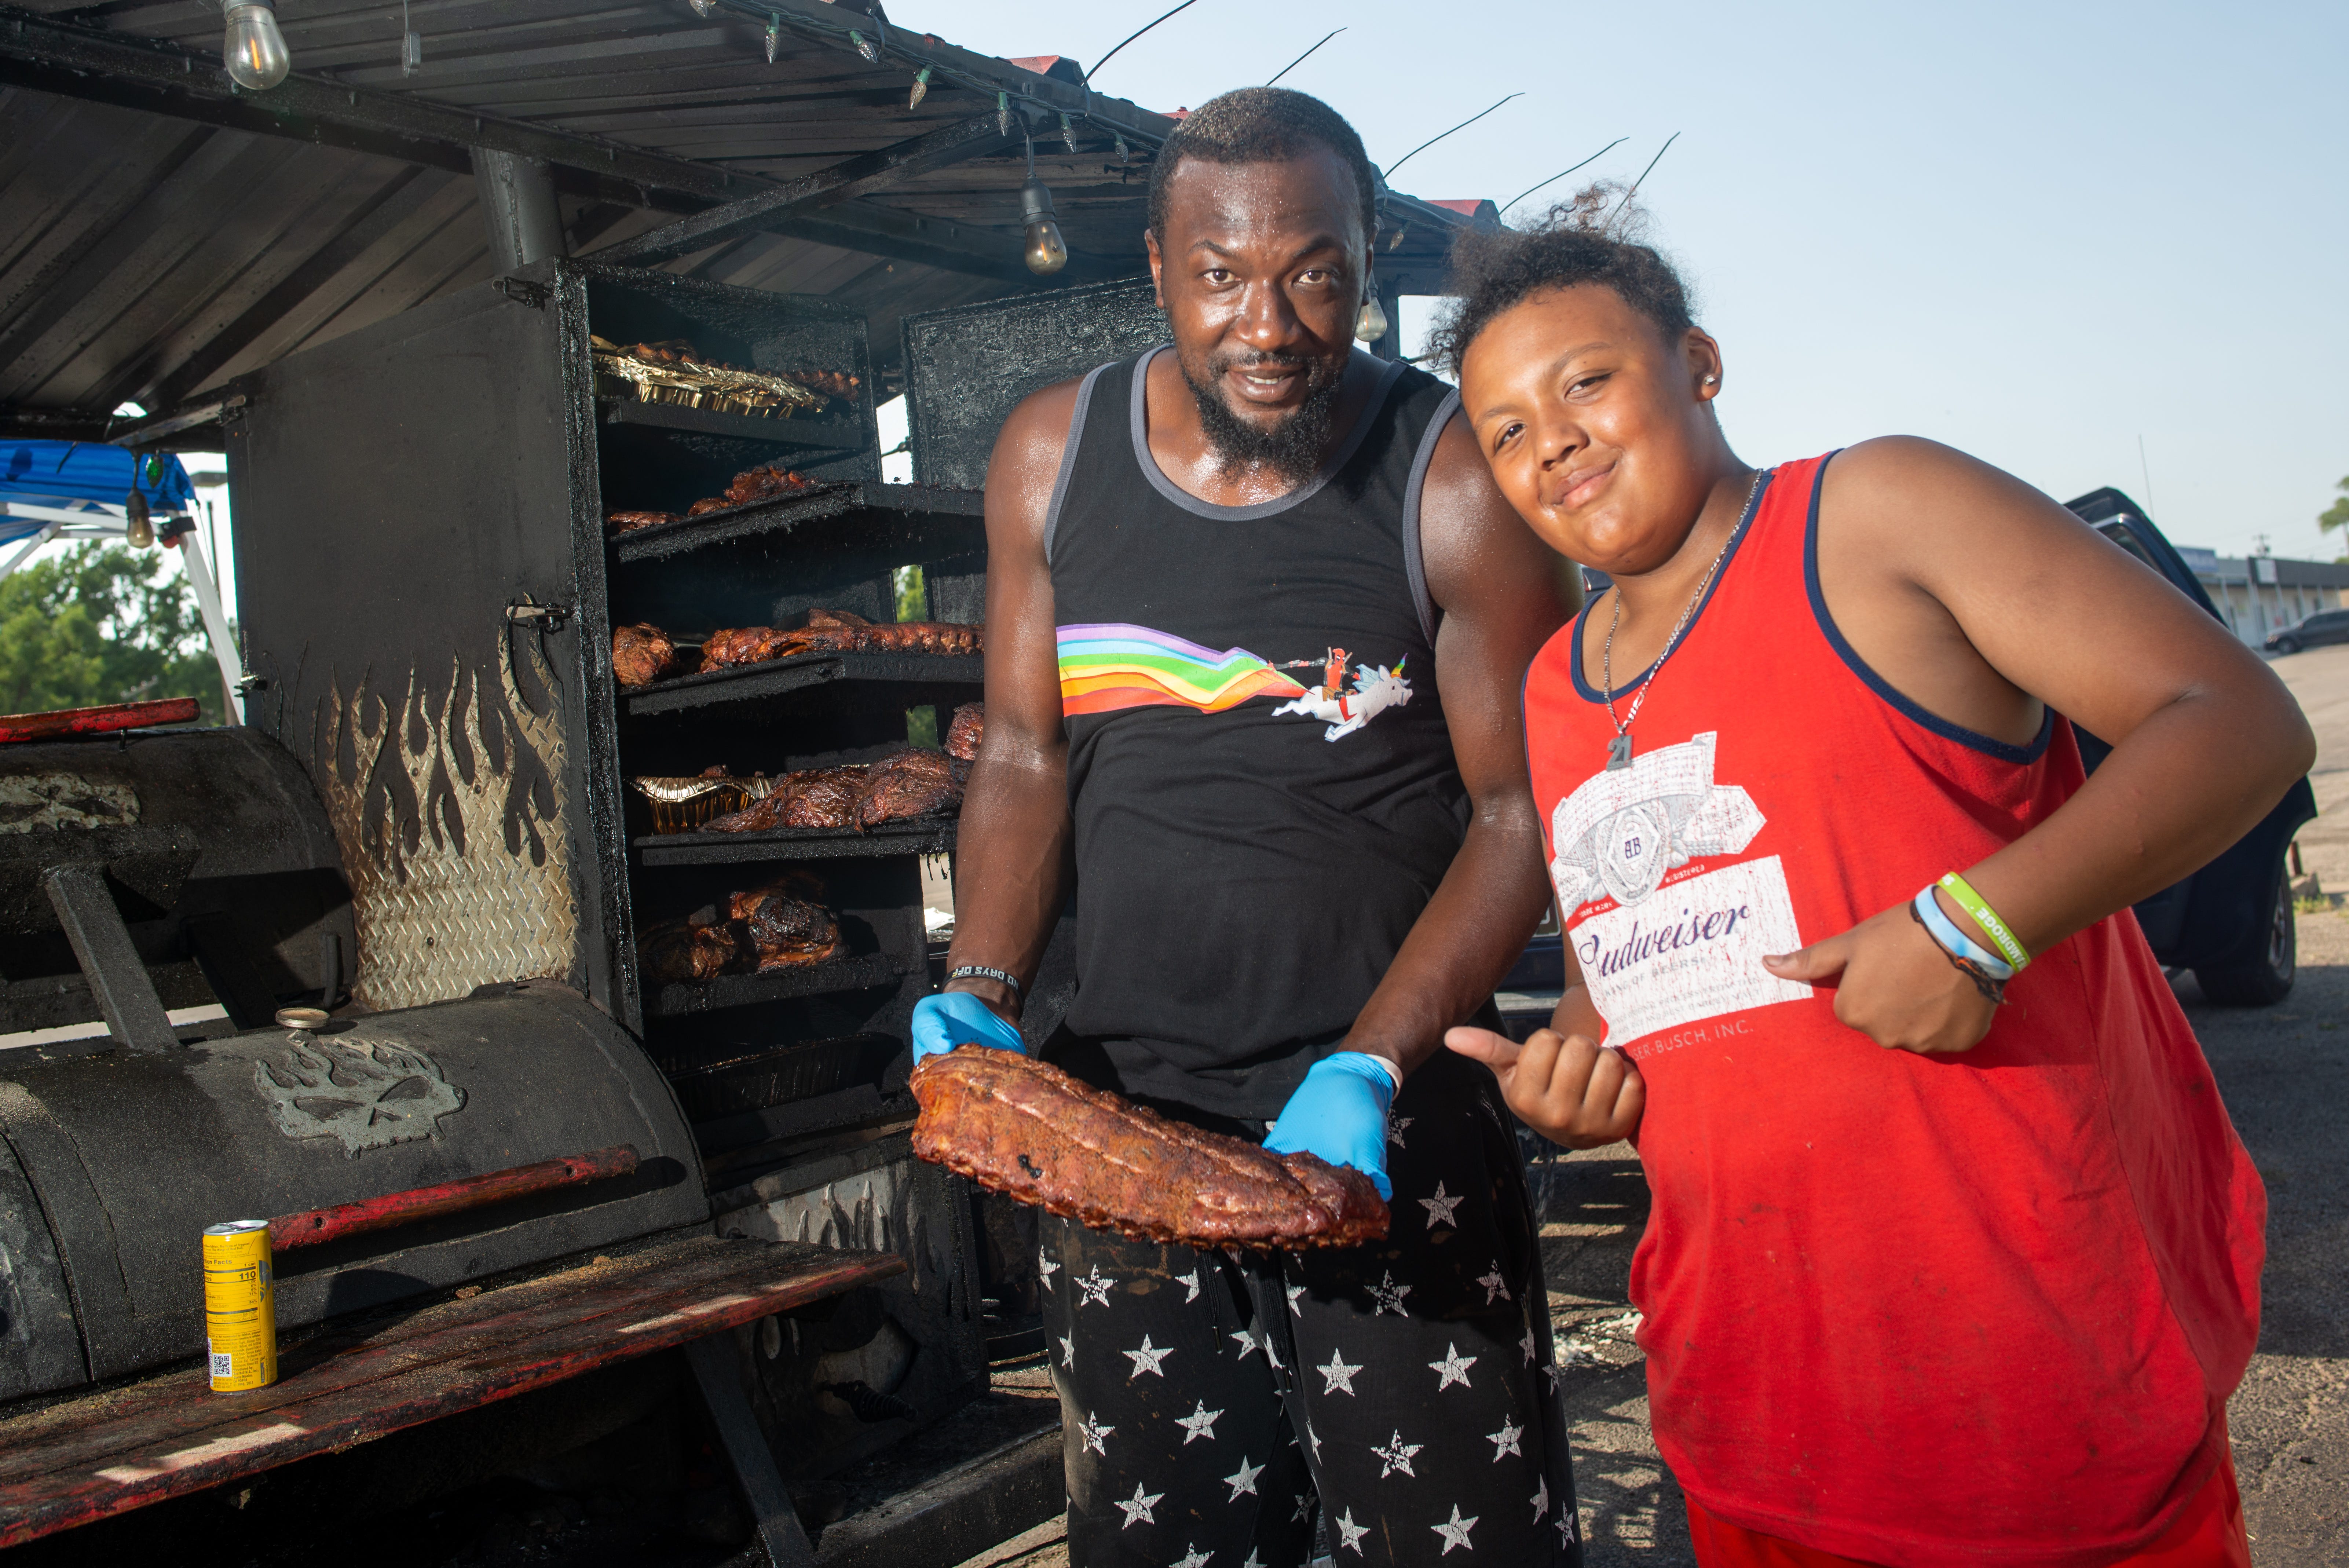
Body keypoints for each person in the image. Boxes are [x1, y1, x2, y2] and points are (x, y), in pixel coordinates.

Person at [1436, 200, 2306, 1568]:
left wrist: (1975, 926)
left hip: (2031, 1373)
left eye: (1587, 381)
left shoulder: (1873, 514)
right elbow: (1632, 945)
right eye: (1504, 428)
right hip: (1754, 1401)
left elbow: (2239, 719)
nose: (1551, 439)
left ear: (1700, 364)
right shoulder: (1556, 681)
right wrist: (1584, 1057)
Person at [912, 89, 1585, 1567]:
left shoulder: (1452, 470)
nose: (1269, 321)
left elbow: (1522, 807)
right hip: (1120, 1137)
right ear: (1158, 272)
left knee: (1453, 1545)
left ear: (1365, 260)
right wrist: (989, 979)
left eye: (1316, 272)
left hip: (1385, 1134)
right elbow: (1025, 754)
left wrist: (1372, 1058)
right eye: (1222, 276)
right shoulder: (1053, 452)